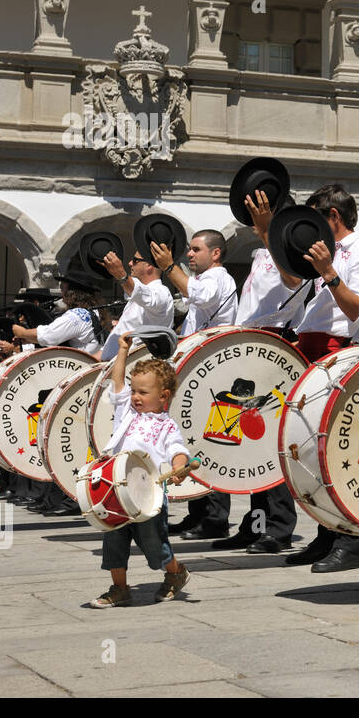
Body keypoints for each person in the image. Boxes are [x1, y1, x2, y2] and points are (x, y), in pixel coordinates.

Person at [278, 183, 359, 570]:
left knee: (338, 452)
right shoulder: (327, 250)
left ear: (333, 217)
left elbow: (358, 311)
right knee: (308, 450)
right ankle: (325, 535)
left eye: (314, 218)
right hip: (310, 347)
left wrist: (329, 272)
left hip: (336, 350)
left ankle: (352, 545)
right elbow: (291, 282)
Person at [206, 190, 312, 556]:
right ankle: (255, 525)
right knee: (250, 448)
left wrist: (269, 232)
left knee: (270, 446)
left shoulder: (295, 253)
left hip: (275, 347)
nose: (254, 219)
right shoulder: (262, 253)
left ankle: (280, 528)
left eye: (262, 213)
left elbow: (294, 283)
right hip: (250, 347)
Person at [89, 332, 195, 608]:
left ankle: (175, 573)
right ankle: (119, 588)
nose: (135, 396)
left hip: (148, 494)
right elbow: (117, 382)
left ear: (164, 396)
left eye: (143, 392)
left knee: (153, 545)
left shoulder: (166, 425)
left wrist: (179, 467)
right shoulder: (126, 413)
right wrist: (122, 351)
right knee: (113, 541)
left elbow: (178, 451)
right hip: (117, 490)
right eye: (134, 390)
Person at [153, 230, 238, 539]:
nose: (189, 255)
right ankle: (199, 513)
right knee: (192, 441)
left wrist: (168, 267)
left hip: (212, 371)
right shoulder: (205, 280)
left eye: (195, 249)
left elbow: (200, 296)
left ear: (215, 254)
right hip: (200, 368)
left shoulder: (217, 278)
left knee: (209, 443)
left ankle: (216, 519)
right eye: (188, 249)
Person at [10, 270, 108, 516]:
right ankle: (58, 496)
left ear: (71, 291)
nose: (61, 292)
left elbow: (48, 335)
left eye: (64, 287)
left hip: (74, 381)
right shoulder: (97, 314)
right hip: (88, 380)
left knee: (63, 439)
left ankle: (70, 498)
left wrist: (22, 333)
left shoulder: (77, 315)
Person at [97, 249, 175, 363]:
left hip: (134, 370)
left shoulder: (161, 292)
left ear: (149, 265)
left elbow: (142, 294)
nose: (129, 263)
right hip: (111, 366)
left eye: (135, 260)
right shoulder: (137, 298)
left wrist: (121, 274)